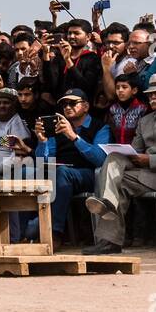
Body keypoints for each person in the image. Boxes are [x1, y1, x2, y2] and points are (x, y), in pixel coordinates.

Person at [83, 73, 156, 254]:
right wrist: (129, 154)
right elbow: (135, 149)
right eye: (151, 94)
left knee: (116, 183)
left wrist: (150, 160)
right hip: (141, 173)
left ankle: (108, 219)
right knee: (114, 160)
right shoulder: (145, 120)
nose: (154, 97)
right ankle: (109, 234)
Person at [31, 89, 109, 244]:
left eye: (73, 103)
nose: (67, 107)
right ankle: (20, 232)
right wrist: (43, 141)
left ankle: (55, 233)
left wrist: (73, 137)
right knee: (26, 172)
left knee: (62, 173)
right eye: (65, 104)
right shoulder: (57, 129)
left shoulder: (100, 126)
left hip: (88, 174)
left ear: (86, 106)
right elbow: (43, 161)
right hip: (59, 174)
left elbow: (100, 159)